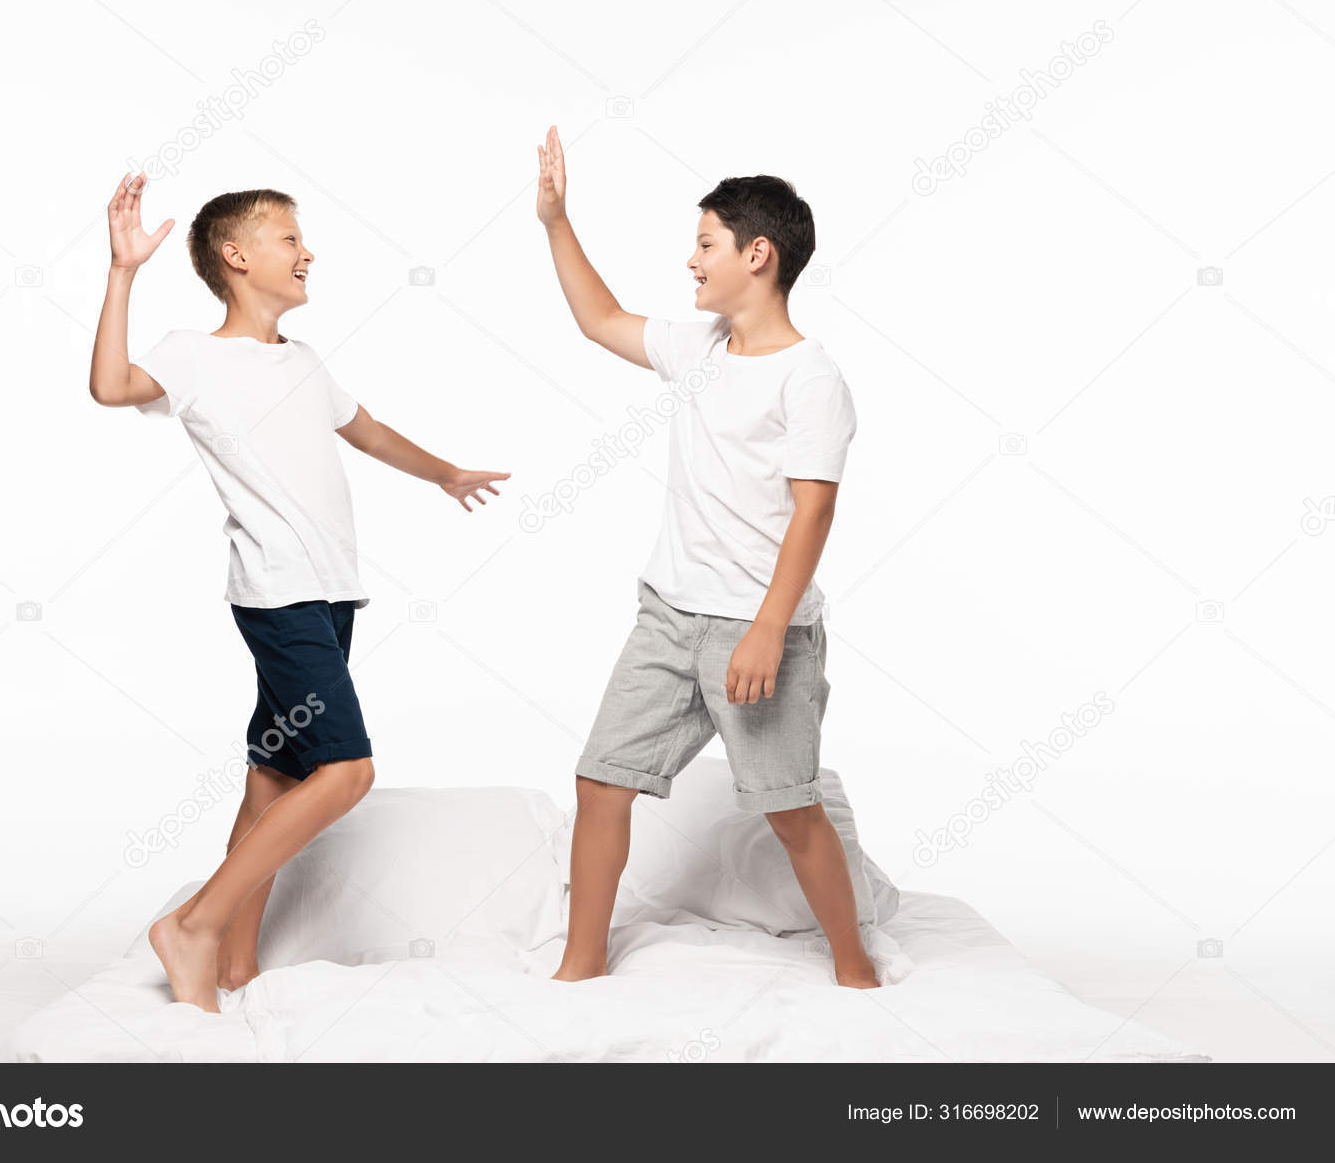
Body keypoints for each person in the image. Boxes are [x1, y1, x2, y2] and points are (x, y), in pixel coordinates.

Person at [88, 174, 509, 1011]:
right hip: (277, 595)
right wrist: (123, 272)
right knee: (346, 770)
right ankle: (194, 925)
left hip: (330, 594)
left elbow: (369, 430)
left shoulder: (306, 362)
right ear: (237, 257)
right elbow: (109, 387)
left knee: (276, 775)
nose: (306, 250)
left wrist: (444, 474)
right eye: (289, 237)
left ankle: (237, 965)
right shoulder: (194, 354)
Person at [533, 127, 877, 988]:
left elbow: (814, 511)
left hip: (760, 631)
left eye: (705, 244)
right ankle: (581, 964)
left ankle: (855, 967)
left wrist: (765, 632)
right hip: (667, 616)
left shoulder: (812, 378)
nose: (691, 262)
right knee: (600, 783)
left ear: (758, 254)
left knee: (789, 808)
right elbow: (599, 319)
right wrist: (554, 221)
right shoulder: (697, 351)